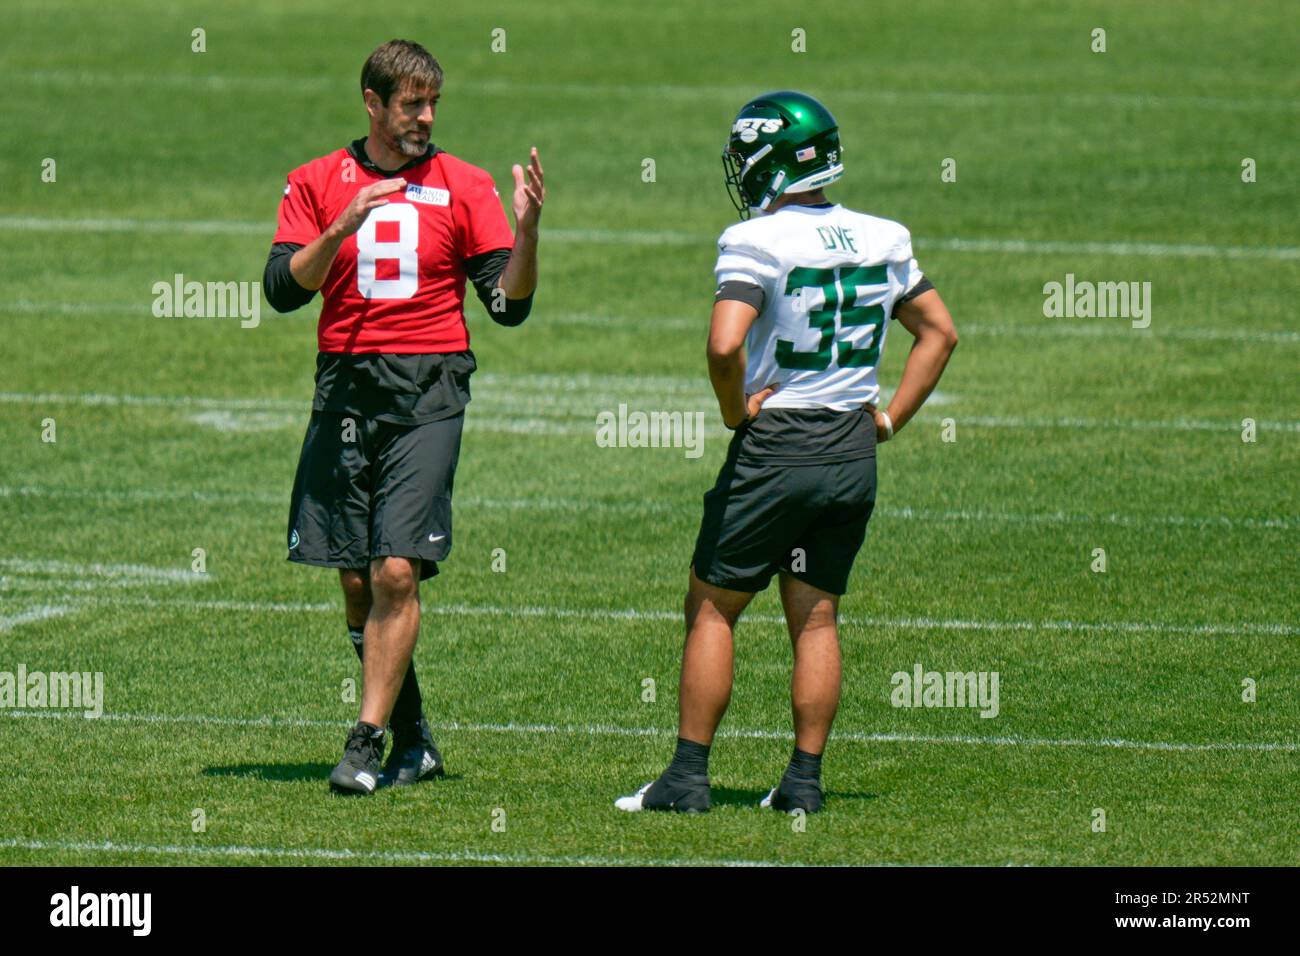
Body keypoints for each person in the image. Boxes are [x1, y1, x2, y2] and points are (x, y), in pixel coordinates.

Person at [617, 90, 956, 814]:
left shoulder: (756, 243)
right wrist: (889, 421)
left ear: (769, 162)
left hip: (778, 448)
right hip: (850, 450)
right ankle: (802, 784)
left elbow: (724, 342)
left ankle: (686, 779)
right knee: (816, 615)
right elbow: (940, 333)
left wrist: (736, 410)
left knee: (712, 608)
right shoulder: (883, 236)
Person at [262, 39, 544, 795]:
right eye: (411, 104)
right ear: (373, 104)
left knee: (396, 567)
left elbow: (507, 306)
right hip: (345, 390)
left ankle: (365, 741)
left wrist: (529, 233)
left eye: (432, 105)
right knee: (355, 580)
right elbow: (281, 290)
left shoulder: (465, 184)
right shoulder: (318, 181)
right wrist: (338, 228)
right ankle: (415, 736)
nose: (424, 118)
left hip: (429, 390)